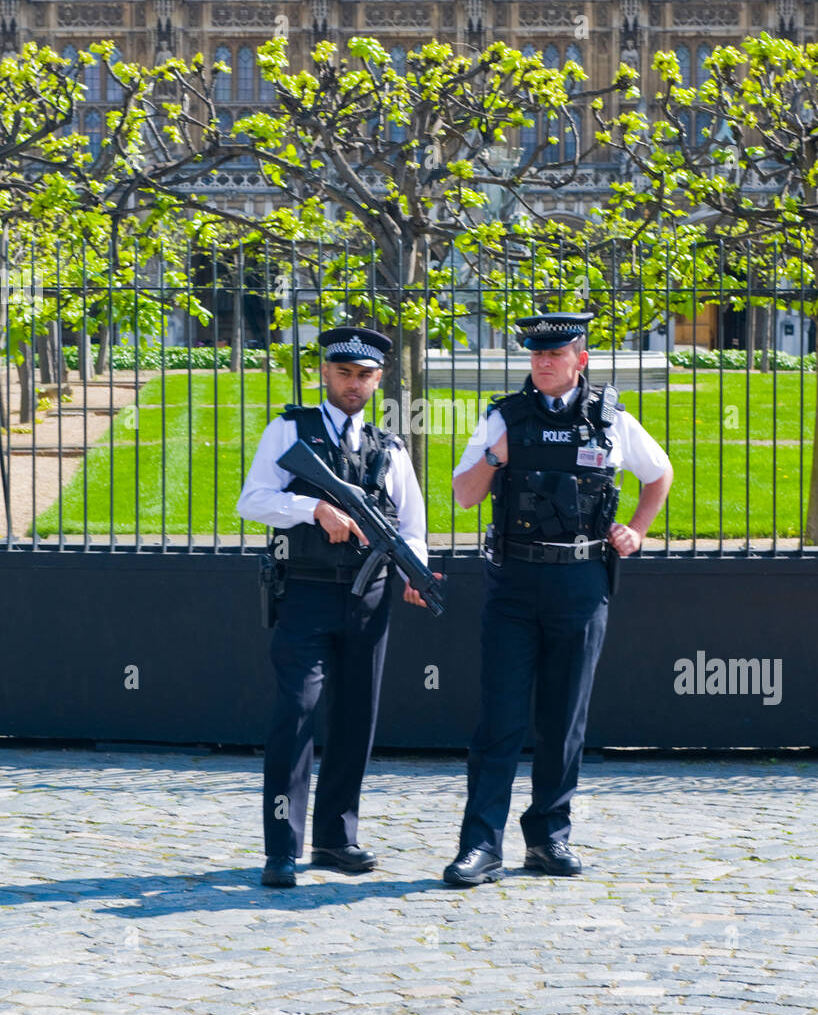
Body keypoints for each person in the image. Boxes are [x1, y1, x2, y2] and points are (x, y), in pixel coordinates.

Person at [444, 311, 673, 887]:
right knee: (499, 720)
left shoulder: (611, 419)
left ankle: (549, 837)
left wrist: (638, 530)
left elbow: (660, 473)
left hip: (580, 580)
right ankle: (481, 846)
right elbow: (465, 496)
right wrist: (496, 455)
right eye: (536, 353)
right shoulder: (503, 415)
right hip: (514, 584)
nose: (543, 362)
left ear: (581, 359)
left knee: (564, 718)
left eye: (556, 352)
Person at [237, 326, 431, 888]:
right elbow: (253, 500)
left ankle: (336, 838)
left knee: (356, 718)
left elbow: (411, 527)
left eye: (365, 375)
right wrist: (312, 507)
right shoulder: (288, 429)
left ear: (379, 379)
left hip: (368, 597)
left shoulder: (389, 447)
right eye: (344, 373)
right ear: (325, 372)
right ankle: (282, 846)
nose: (354, 384)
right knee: (296, 714)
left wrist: (416, 572)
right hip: (306, 589)